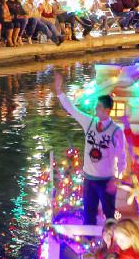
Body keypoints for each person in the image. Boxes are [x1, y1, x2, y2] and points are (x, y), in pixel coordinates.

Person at [49, 70, 124, 225]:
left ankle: (110, 245)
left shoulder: (116, 131)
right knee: (88, 215)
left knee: (110, 216)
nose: (96, 109)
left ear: (107, 111)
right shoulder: (89, 122)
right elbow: (72, 110)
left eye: (99, 107)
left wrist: (116, 179)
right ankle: (89, 243)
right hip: (89, 179)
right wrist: (59, 92)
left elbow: (122, 157)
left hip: (106, 180)